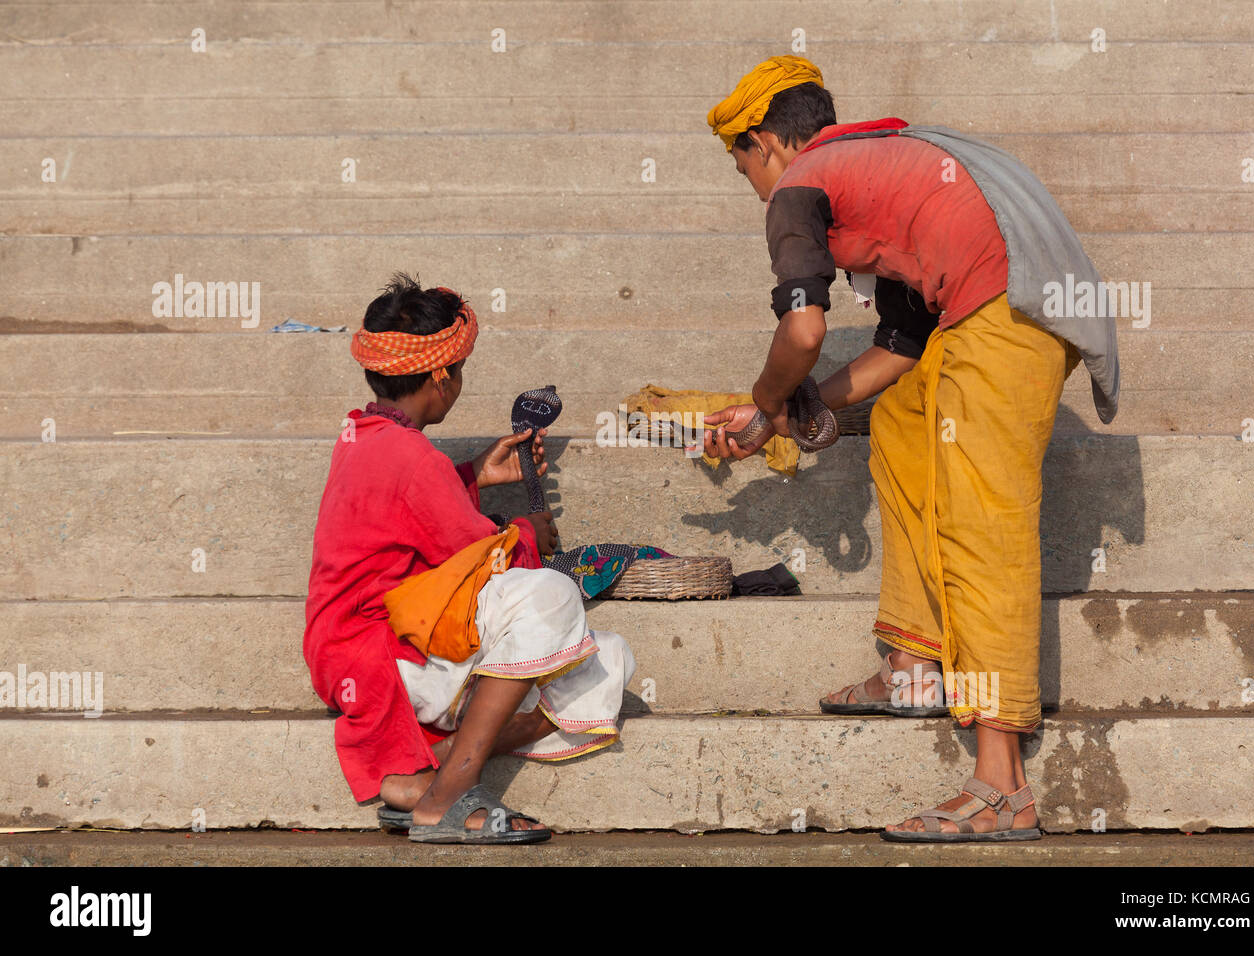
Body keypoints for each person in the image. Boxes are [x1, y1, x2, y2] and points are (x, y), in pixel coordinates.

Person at [701, 56, 1118, 842]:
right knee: (901, 420)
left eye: (743, 166)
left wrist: (761, 403)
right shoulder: (885, 169)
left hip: (1007, 313)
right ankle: (915, 665)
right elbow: (898, 347)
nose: (751, 186)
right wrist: (791, 411)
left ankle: (1003, 787)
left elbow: (803, 329)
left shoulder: (803, 183)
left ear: (765, 143)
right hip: (989, 310)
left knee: (982, 525)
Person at [303, 273, 635, 844]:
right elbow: (486, 565)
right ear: (439, 377)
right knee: (550, 597)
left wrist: (474, 474)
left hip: (364, 654)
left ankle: (432, 763)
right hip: (384, 657)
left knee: (606, 656)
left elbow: (406, 514)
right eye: (458, 372)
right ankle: (449, 793)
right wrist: (529, 532)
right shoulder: (410, 458)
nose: (459, 383)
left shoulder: (362, 436)